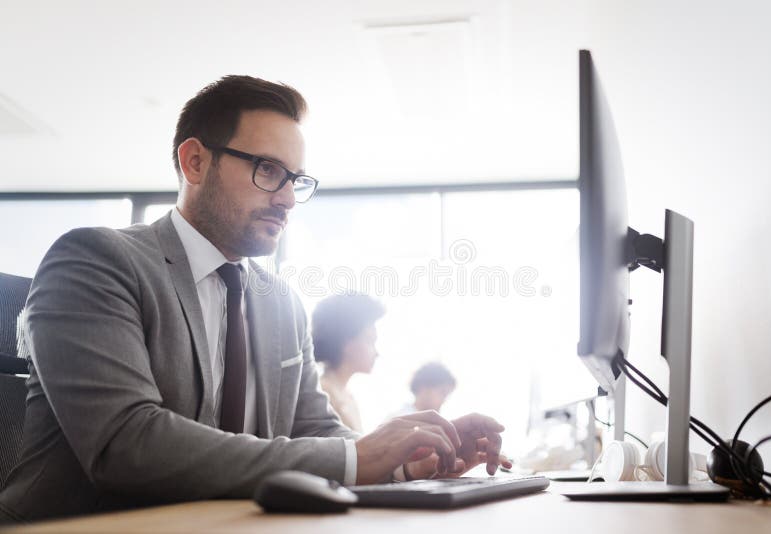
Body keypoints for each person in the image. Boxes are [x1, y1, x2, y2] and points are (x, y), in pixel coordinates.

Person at [0, 75, 507, 523]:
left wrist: (408, 457)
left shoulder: (280, 301)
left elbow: (312, 428)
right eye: (268, 170)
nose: (287, 198)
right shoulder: (96, 260)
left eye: (296, 180)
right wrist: (359, 459)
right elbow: (127, 444)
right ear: (195, 161)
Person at [312, 293, 385, 433]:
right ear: (345, 342)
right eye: (370, 340)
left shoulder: (345, 395)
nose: (377, 353)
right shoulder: (323, 395)